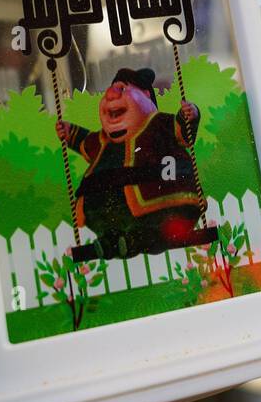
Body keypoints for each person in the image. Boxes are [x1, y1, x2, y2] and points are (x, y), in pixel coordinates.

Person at [57, 68, 209, 260]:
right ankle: (111, 241)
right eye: (110, 90)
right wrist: (70, 133)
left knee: (158, 230)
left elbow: (182, 131)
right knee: (109, 226)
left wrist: (189, 115)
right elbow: (86, 143)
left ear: (146, 95)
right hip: (108, 214)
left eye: (121, 89)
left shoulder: (157, 124)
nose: (111, 95)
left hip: (159, 206)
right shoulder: (104, 140)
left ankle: (141, 238)